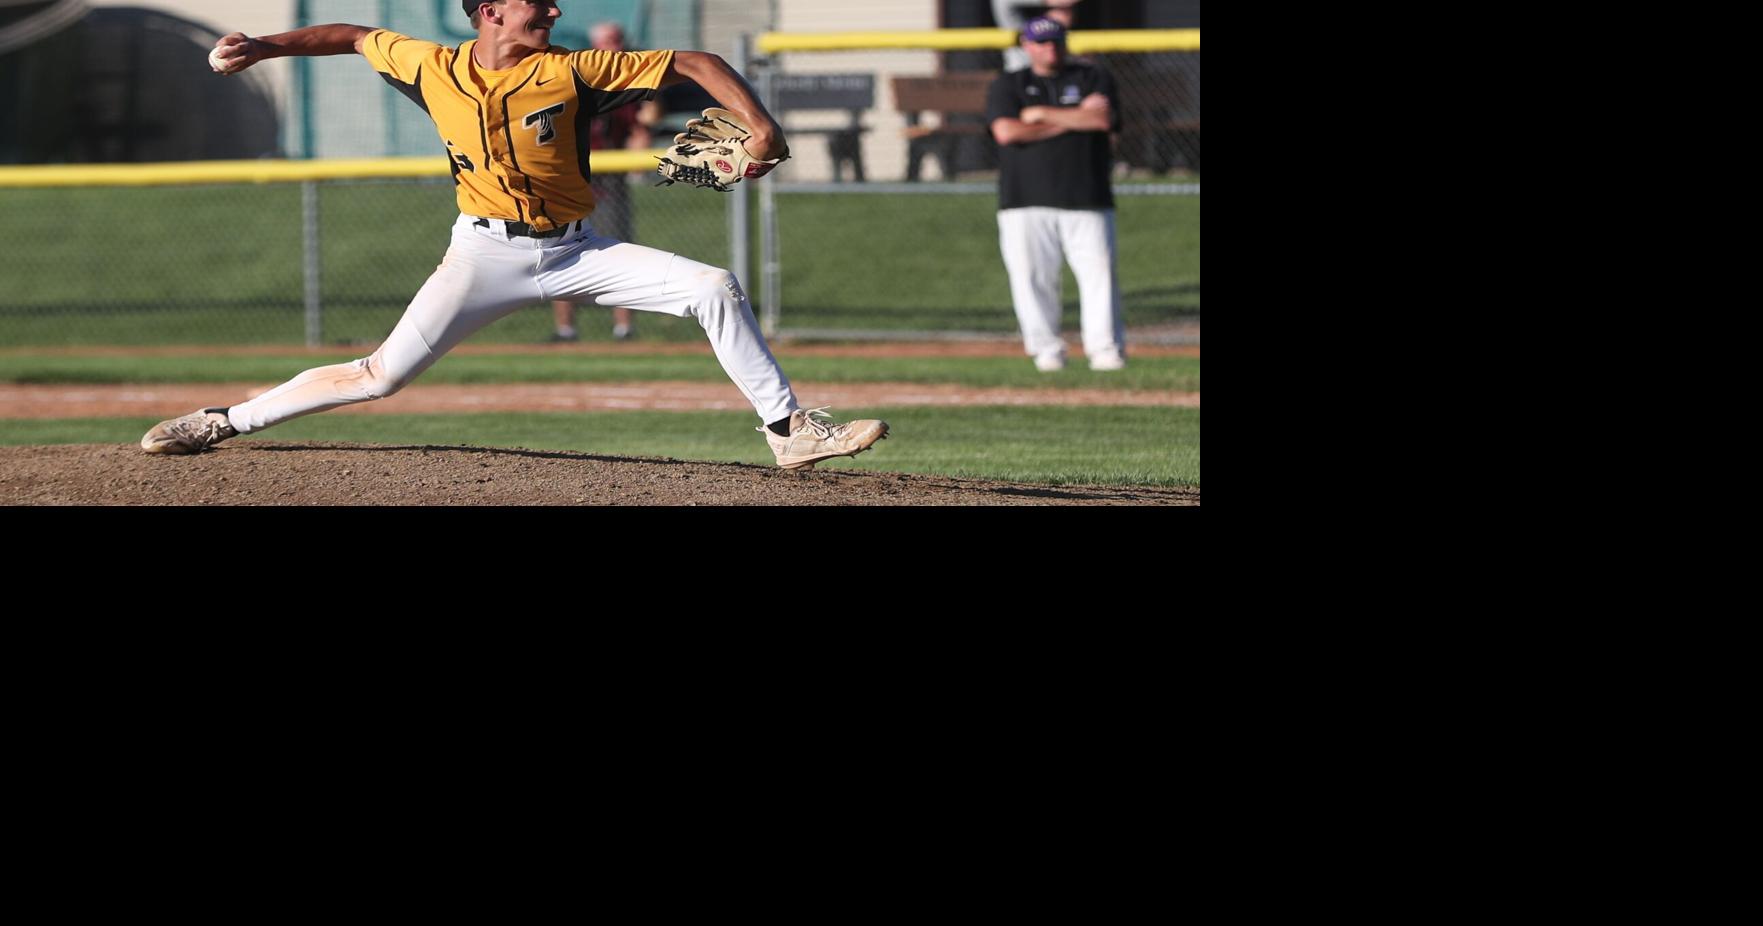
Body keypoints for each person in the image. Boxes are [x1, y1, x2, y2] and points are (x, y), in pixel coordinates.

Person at [141, 0, 888, 471]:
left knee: (711, 286)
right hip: (483, 254)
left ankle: (789, 429)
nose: (554, 12)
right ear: (490, 10)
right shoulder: (432, 64)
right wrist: (264, 46)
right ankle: (222, 421)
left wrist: (758, 125)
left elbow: (696, 62)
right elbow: (354, 34)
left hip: (578, 249)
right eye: (537, 2)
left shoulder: (575, 70)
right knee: (379, 376)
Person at [985, 15, 1124, 372]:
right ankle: (1047, 351)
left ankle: (1105, 351)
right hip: (1024, 198)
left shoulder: (1093, 76)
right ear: (1026, 46)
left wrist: (1040, 115)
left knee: (1099, 275)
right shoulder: (1009, 84)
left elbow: (1100, 121)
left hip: (1087, 196)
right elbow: (1006, 132)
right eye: (1042, 42)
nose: (1050, 48)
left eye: (1056, 41)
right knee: (1032, 277)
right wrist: (1072, 118)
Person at [549, 20, 659, 343]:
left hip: (609, 177)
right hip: (570, 175)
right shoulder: (577, 74)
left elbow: (644, 120)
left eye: (618, 43)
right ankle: (565, 329)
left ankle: (623, 328)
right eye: (609, 43)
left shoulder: (625, 81)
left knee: (619, 249)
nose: (616, 49)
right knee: (558, 253)